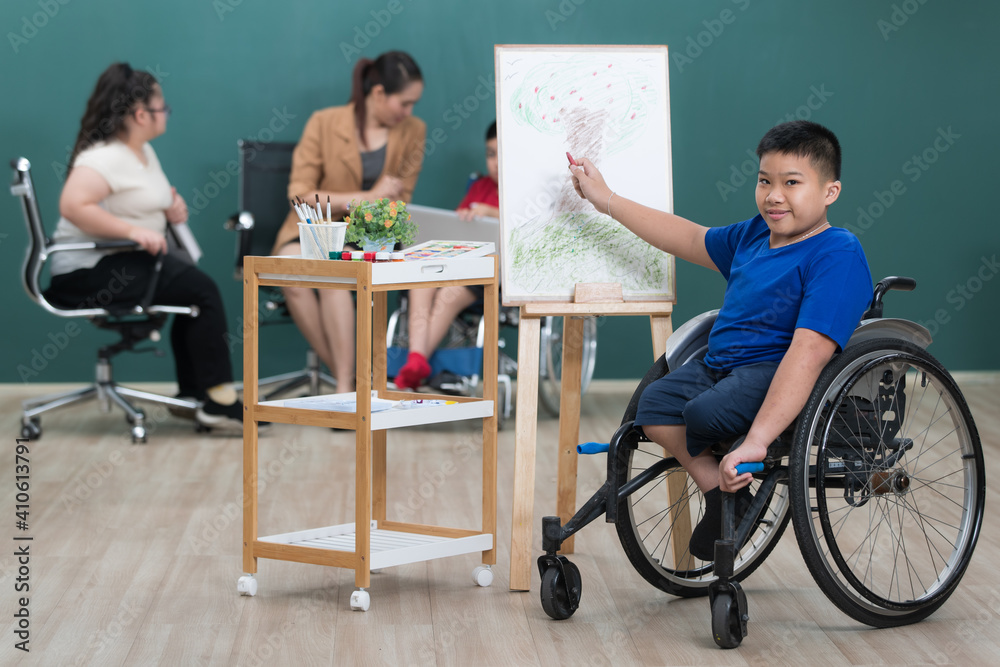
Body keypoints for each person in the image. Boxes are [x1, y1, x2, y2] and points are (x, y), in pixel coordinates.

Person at [570, 120, 872, 560]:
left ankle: (736, 464)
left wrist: (757, 441)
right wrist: (607, 201)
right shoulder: (753, 235)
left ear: (830, 192)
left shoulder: (836, 252)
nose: (773, 195)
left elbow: (808, 353)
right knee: (653, 407)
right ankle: (718, 490)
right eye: (765, 180)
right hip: (720, 366)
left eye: (791, 183)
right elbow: (688, 236)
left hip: (775, 370)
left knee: (703, 414)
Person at [48, 62, 245, 431]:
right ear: (141, 114)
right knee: (202, 291)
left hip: (117, 263)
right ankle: (216, 399)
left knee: (194, 296)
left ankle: (197, 397)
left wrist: (170, 211)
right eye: (162, 107)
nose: (166, 113)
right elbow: (73, 206)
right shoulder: (103, 157)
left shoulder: (141, 153)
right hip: (85, 273)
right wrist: (134, 232)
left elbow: (137, 202)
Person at [271, 51, 426, 393]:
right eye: (404, 103)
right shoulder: (324, 123)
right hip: (317, 227)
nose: (409, 112)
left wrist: (374, 206)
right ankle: (354, 380)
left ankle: (343, 387)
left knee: (334, 271)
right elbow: (299, 195)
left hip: (373, 234)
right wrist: (365, 197)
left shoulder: (412, 131)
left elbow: (402, 201)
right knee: (292, 276)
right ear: (379, 94)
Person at [395, 121, 498, 390]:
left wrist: (491, 213)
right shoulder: (479, 187)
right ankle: (417, 358)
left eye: (501, 154)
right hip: (459, 263)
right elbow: (453, 230)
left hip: (490, 275)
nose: (496, 162)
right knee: (422, 278)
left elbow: (524, 228)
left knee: (448, 294)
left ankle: (416, 361)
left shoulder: (521, 193)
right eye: (490, 154)